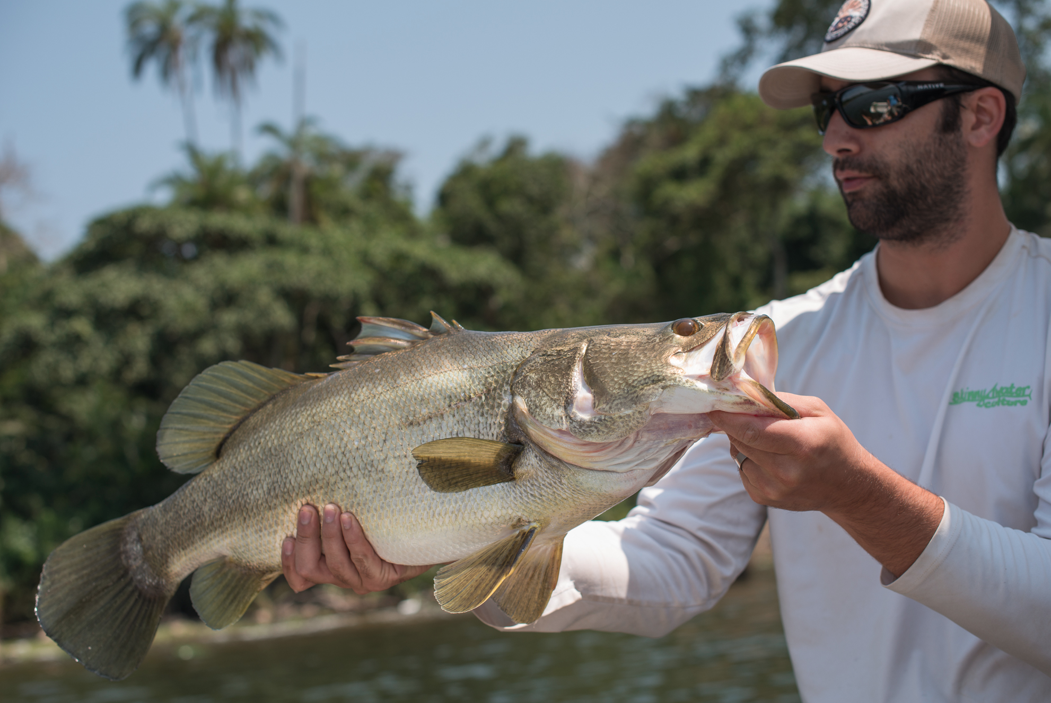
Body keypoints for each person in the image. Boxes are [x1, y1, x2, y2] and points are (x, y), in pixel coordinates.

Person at [281, 0, 1051, 699]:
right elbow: (671, 562)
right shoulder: (782, 339)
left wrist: (858, 495)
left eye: (871, 104)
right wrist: (441, 540)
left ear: (980, 116)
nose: (836, 139)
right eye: (825, 109)